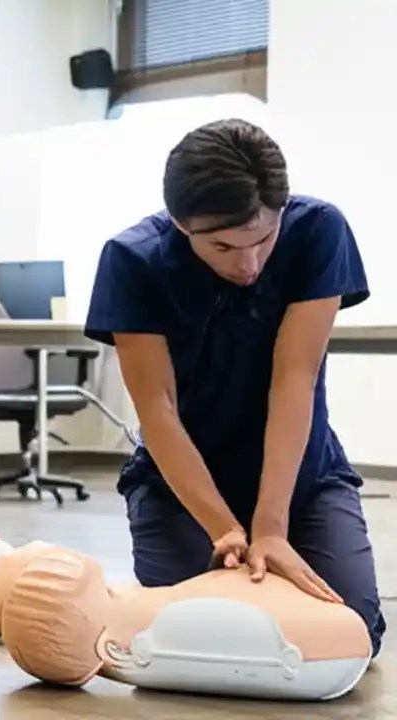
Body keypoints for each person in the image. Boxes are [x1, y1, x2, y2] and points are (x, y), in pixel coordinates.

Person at [83, 118, 385, 657]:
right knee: (186, 632)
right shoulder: (132, 260)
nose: (248, 264)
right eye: (222, 246)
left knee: (351, 629)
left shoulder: (318, 231)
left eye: (263, 239)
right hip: (182, 490)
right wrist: (225, 529)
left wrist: (270, 528)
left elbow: (295, 378)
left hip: (303, 478)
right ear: (180, 224)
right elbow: (158, 409)